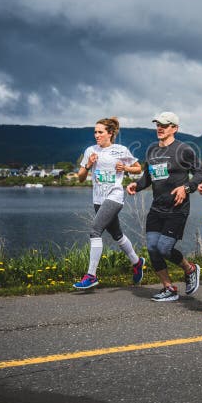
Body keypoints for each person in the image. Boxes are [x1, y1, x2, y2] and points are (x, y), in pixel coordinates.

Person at [125, 112, 202, 302]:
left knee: (164, 248)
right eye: (158, 125)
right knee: (152, 247)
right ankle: (168, 288)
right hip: (157, 208)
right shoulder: (152, 150)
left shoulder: (184, 150)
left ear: (175, 128)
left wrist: (186, 188)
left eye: (165, 125)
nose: (160, 128)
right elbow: (148, 176)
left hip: (177, 209)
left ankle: (190, 269)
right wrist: (136, 185)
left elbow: (200, 173)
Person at [74, 117, 145, 290]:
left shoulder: (120, 150)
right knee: (117, 235)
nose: (96, 135)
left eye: (100, 132)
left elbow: (139, 168)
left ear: (110, 133)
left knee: (95, 231)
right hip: (98, 198)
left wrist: (125, 168)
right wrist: (89, 164)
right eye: (95, 132)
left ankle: (91, 275)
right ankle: (137, 262)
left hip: (115, 195)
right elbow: (81, 177)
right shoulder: (90, 150)